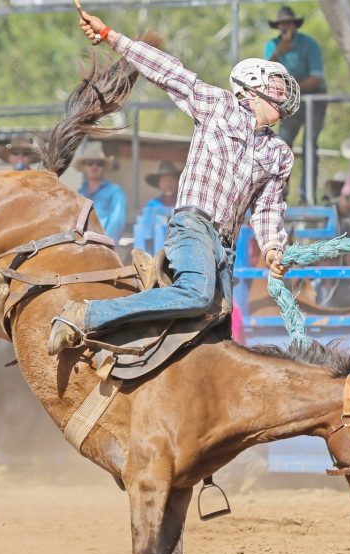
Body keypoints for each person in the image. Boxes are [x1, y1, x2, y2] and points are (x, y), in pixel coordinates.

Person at [49, 10, 297, 354]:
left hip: (226, 245)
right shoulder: (219, 106)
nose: (284, 95)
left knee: (218, 332)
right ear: (251, 88)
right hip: (193, 225)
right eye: (276, 87)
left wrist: (272, 248)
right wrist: (109, 35)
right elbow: (168, 71)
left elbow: (269, 208)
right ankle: (86, 315)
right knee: (196, 294)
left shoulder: (279, 153)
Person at [264, 6, 326, 204]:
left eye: (288, 23)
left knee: (310, 145)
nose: (285, 27)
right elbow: (265, 75)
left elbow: (316, 78)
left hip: (313, 99)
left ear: (294, 25)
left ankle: (306, 196)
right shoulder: (272, 45)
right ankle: (278, 194)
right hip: (289, 102)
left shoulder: (309, 44)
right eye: (282, 24)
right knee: (282, 145)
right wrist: (278, 52)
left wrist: (291, 87)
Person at [74, 141, 127, 243]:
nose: (94, 167)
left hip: (103, 246)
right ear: (84, 166)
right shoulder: (79, 193)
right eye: (90, 162)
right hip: (81, 245)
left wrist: (106, 245)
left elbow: (117, 224)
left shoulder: (115, 191)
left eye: (99, 163)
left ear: (104, 167)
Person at [134, 161, 181, 253]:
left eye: (171, 180)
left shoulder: (183, 203)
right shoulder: (152, 205)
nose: (168, 184)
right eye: (164, 181)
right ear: (159, 184)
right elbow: (147, 235)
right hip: (156, 251)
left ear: (178, 182)